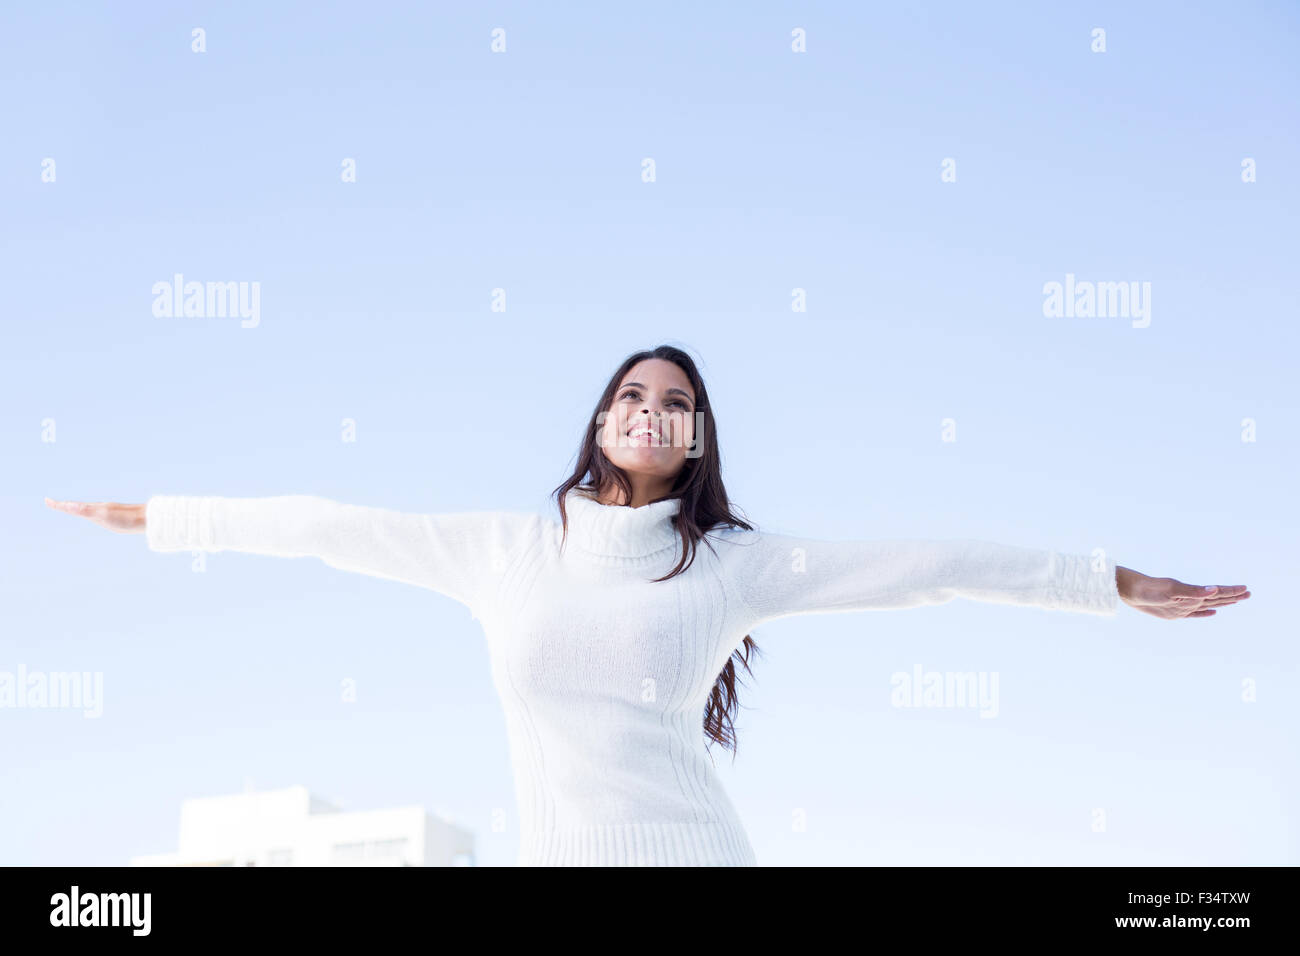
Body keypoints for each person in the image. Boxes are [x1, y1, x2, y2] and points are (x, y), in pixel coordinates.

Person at [46, 344, 1251, 866]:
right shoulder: (504, 550)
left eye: (676, 399)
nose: (650, 406)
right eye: (631, 390)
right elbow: (328, 526)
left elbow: (925, 562)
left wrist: (1109, 583)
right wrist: (168, 515)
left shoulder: (727, 563)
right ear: (600, 418)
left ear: (695, 439)